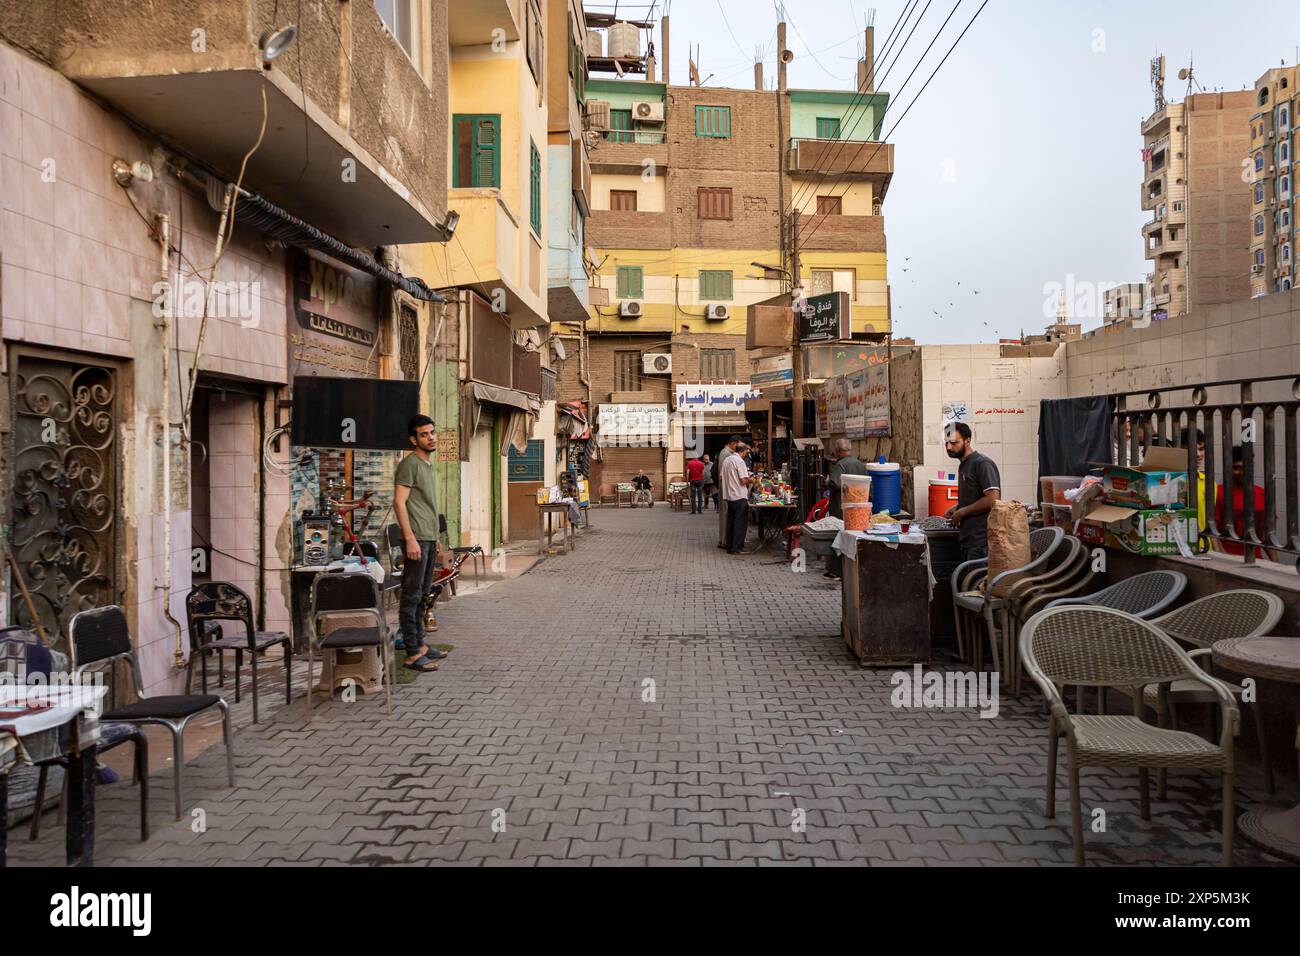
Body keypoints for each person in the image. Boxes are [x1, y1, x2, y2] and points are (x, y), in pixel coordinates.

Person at [393, 414, 447, 673]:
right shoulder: (410, 464)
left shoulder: (425, 465)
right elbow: (399, 502)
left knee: (423, 595)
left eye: (432, 432)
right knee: (411, 595)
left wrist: (434, 538)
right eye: (424, 434)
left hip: (427, 537)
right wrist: (410, 538)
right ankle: (412, 651)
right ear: (414, 439)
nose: (431, 437)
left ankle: (421, 644)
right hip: (416, 539)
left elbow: (425, 505)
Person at [943, 421, 1001, 562]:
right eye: (946, 443)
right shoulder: (964, 464)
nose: (949, 447)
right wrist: (957, 507)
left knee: (978, 583)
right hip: (968, 539)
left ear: (967, 441)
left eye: (954, 443)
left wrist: (962, 512)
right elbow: (976, 497)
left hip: (981, 541)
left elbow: (992, 499)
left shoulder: (982, 463)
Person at [823, 438, 868, 579]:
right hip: (860, 507)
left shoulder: (840, 465)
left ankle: (838, 571)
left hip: (842, 507)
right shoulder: (860, 464)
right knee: (856, 535)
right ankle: (855, 568)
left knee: (840, 536)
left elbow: (835, 484)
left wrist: (827, 482)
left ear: (837, 451)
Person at [1214, 445, 1269, 559]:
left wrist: (1276, 564)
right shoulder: (1218, 492)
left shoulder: (1262, 493)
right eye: (1237, 467)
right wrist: (1224, 559)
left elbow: (1265, 536)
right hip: (1228, 560)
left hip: (1257, 561)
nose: (1243, 472)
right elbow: (1212, 533)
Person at [719, 441, 757, 554]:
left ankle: (730, 547)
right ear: (742, 451)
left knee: (731, 523)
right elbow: (743, 480)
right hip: (739, 496)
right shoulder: (739, 461)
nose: (747, 454)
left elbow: (722, 477)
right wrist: (752, 480)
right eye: (746, 451)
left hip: (729, 496)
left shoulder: (727, 460)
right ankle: (737, 548)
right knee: (740, 523)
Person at [716, 435, 743, 548]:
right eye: (738, 445)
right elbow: (723, 474)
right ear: (733, 443)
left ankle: (725, 540)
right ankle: (724, 541)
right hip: (726, 489)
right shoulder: (726, 454)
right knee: (725, 514)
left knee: (726, 514)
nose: (739, 447)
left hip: (727, 488)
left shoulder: (727, 453)